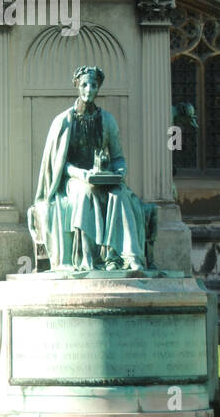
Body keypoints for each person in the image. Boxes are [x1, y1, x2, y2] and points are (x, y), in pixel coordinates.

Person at [30, 65, 151, 273]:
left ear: (98, 88)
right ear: (77, 86)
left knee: (120, 194)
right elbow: (59, 163)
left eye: (93, 85)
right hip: (72, 180)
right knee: (87, 193)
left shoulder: (107, 120)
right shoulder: (63, 121)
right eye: (84, 84)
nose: (89, 89)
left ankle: (126, 257)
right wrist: (82, 174)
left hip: (103, 178)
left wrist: (120, 171)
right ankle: (89, 258)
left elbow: (118, 157)